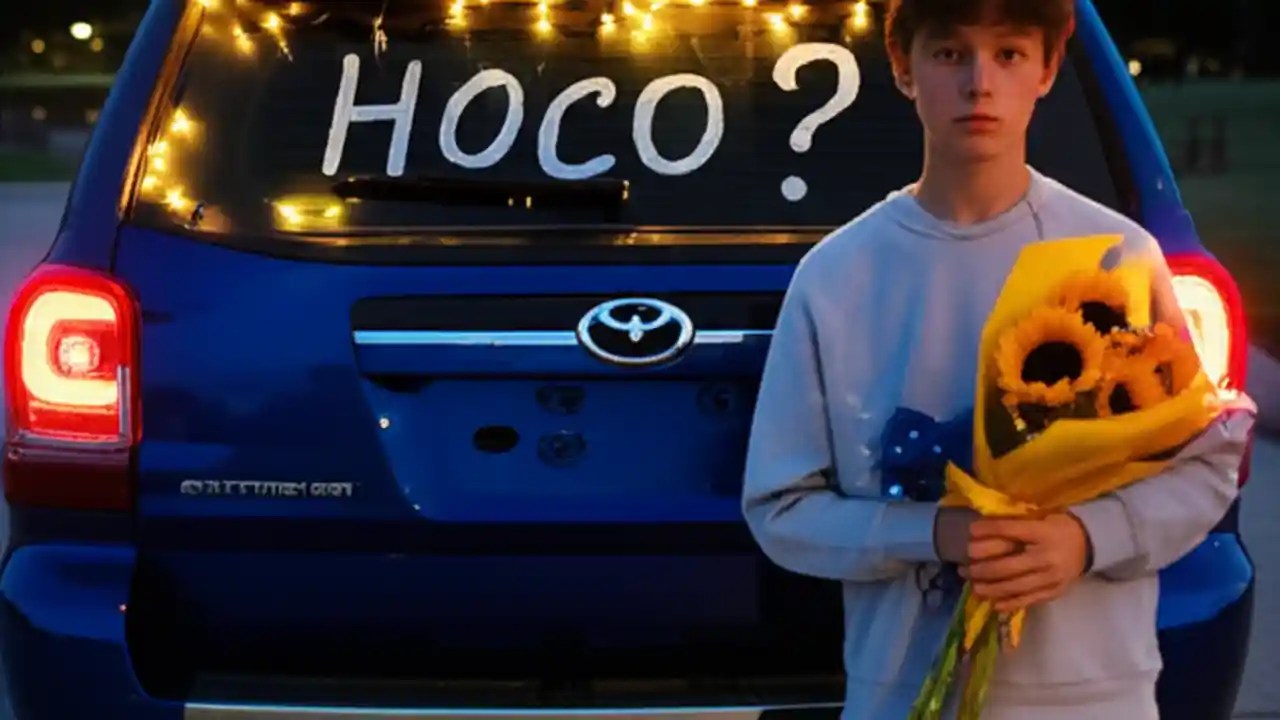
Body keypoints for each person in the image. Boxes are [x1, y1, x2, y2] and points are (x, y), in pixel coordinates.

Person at [739, 1, 1256, 718]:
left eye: (1008, 54)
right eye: (950, 54)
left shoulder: (1117, 257)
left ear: (1047, 68)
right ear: (903, 67)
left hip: (1093, 694)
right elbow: (781, 507)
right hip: (904, 695)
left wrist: (1085, 538)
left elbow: (1202, 469)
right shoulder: (837, 276)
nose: (979, 83)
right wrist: (933, 533)